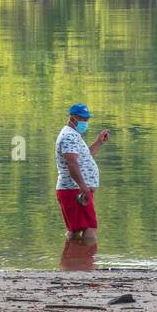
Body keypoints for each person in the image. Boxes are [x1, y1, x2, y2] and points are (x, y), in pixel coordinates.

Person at [55, 103, 109, 246]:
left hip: (73, 189)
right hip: (74, 189)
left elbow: (85, 157)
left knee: (75, 229)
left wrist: (98, 142)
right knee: (89, 228)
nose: (85, 122)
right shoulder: (69, 137)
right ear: (72, 119)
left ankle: (74, 262)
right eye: (82, 119)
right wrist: (84, 187)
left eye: (86, 119)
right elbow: (71, 163)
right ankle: (87, 263)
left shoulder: (73, 135)